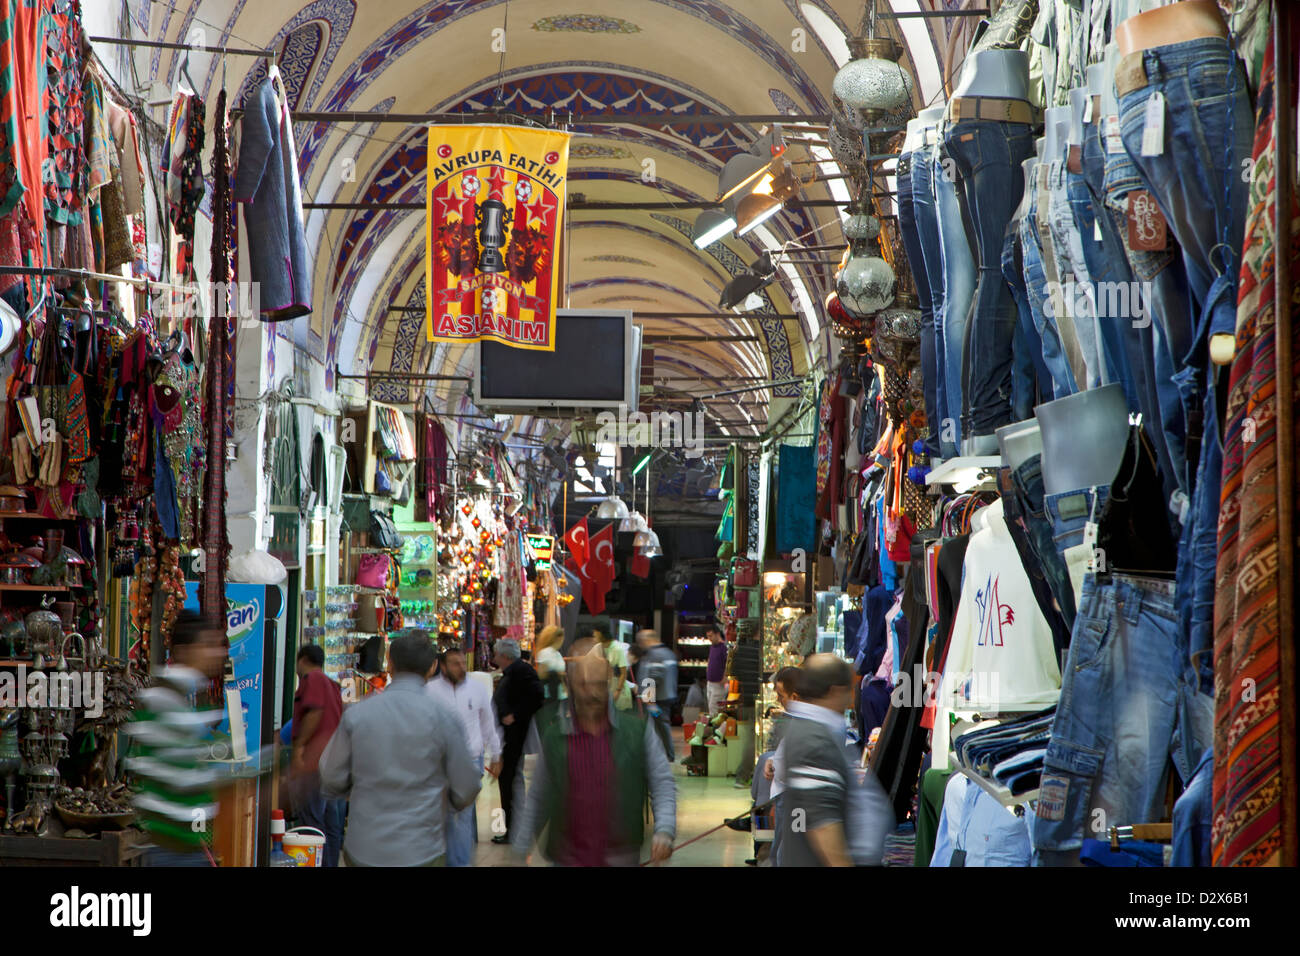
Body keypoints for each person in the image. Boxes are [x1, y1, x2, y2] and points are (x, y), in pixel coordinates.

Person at [319, 633, 480, 866]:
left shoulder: (357, 715)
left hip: (365, 848)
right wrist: (442, 803)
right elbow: (468, 786)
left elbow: (331, 775)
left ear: (390, 663)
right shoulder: (445, 719)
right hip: (423, 849)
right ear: (433, 666)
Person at [513, 644, 676, 866]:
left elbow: (662, 781)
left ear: (608, 684)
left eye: (598, 685)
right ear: (571, 686)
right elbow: (538, 794)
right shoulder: (555, 736)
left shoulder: (636, 731)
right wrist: (522, 845)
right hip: (568, 857)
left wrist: (664, 829)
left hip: (620, 855)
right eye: (584, 685)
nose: (591, 693)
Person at [124, 610, 227, 867]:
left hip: (187, 846)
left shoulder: (187, 695)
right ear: (184, 651)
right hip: (173, 849)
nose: (217, 653)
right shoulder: (163, 698)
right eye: (208, 645)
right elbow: (184, 781)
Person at [775, 654, 892, 867]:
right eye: (849, 689)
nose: (851, 697)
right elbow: (823, 826)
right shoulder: (814, 740)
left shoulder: (817, 729)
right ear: (835, 691)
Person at [426, 647, 501, 867]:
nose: (461, 668)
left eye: (462, 663)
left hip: (470, 761)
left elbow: (488, 724)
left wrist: (496, 754)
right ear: (443, 666)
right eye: (455, 664)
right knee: (444, 818)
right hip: (439, 763)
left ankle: (459, 863)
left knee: (461, 816)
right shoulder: (430, 691)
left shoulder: (477, 690)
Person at [288, 644, 345, 867]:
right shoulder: (333, 685)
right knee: (330, 825)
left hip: (314, 762)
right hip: (332, 762)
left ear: (302, 660)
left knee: (312, 824)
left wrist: (300, 748)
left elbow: (315, 710)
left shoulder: (313, 679)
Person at [491, 637, 544, 845]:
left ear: (504, 656)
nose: (495, 658)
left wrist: (515, 715)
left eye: (496, 654)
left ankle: (514, 830)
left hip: (516, 736)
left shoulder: (521, 671)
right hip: (511, 736)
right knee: (511, 780)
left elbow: (537, 695)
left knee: (511, 781)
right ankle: (514, 829)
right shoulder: (516, 671)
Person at [635, 629, 678, 763]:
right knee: (660, 725)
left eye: (641, 641)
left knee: (660, 725)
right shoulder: (668, 653)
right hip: (665, 696)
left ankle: (667, 754)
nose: (641, 644)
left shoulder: (655, 655)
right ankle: (666, 753)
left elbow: (653, 677)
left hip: (657, 700)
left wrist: (649, 700)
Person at [534, 625, 568, 701]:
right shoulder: (545, 653)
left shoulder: (557, 654)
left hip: (558, 693)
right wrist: (558, 674)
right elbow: (541, 675)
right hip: (549, 695)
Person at [704, 625, 729, 716]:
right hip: (710, 683)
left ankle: (715, 728)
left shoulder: (724, 648)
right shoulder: (712, 647)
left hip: (719, 684)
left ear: (717, 634)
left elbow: (728, 664)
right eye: (708, 636)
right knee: (711, 707)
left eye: (711, 636)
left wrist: (725, 677)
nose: (709, 638)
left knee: (714, 708)